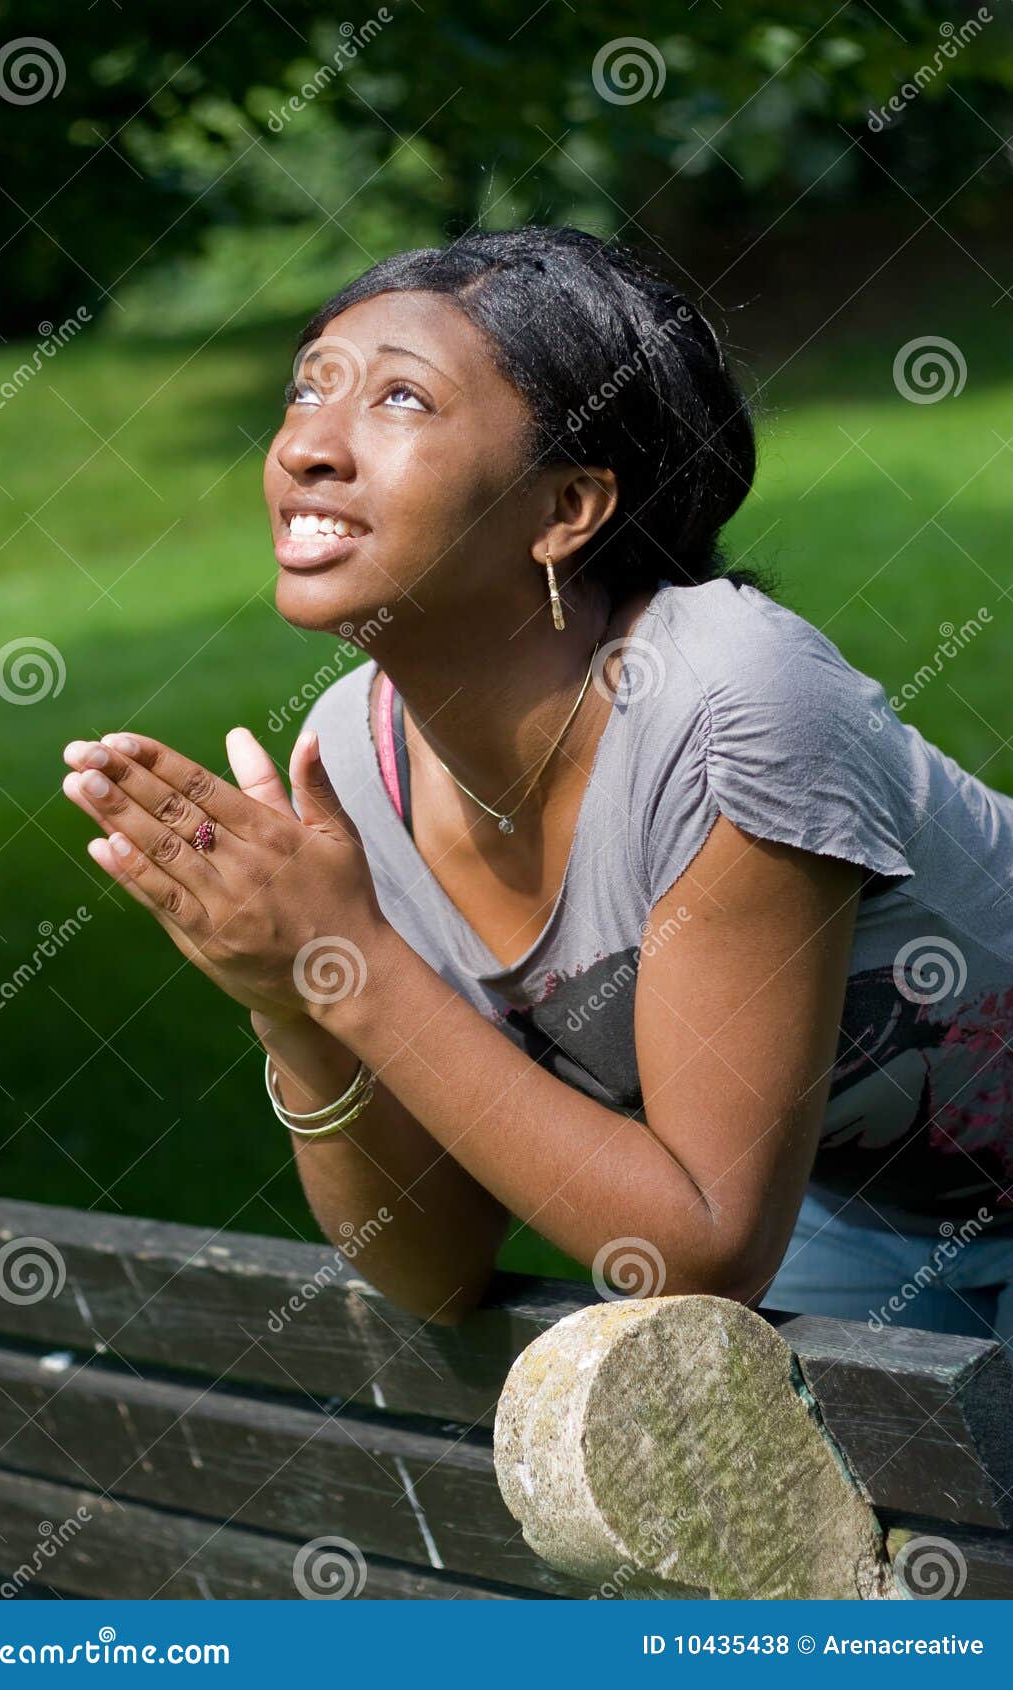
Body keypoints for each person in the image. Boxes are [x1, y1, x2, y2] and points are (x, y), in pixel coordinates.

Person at [61, 225, 1013, 1342]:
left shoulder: (728, 703)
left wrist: (348, 953)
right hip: (875, 1219)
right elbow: (437, 1274)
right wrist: (296, 1001)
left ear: (565, 508)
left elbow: (703, 1250)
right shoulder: (350, 770)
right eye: (307, 388)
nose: (307, 445)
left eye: (401, 398)